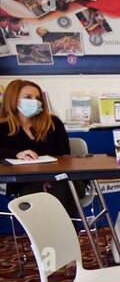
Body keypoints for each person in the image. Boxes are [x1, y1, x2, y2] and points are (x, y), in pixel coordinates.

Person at [0, 79, 82, 221]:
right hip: (23, 181)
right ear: (13, 99)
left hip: (58, 177)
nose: (35, 102)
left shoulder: (53, 123)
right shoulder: (2, 127)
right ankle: (45, 239)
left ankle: (66, 238)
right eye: (28, 97)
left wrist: (48, 177)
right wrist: (16, 154)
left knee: (62, 189)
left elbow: (64, 155)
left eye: (38, 98)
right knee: (36, 195)